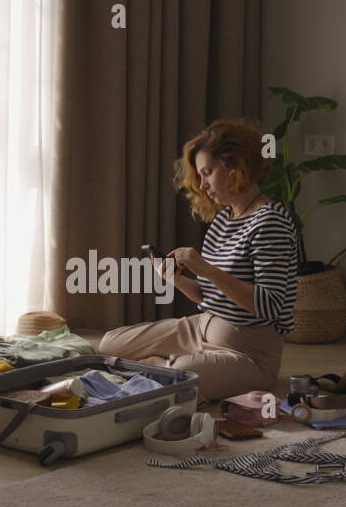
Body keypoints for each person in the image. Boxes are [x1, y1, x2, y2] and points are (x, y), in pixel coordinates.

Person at [98, 119, 299, 403]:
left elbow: (269, 304)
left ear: (236, 167)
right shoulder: (223, 219)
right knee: (110, 344)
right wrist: (175, 279)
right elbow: (209, 295)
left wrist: (203, 266)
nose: (202, 185)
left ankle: (166, 366)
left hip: (247, 352)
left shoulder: (270, 222)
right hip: (198, 329)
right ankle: (168, 366)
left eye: (208, 173)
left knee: (181, 381)